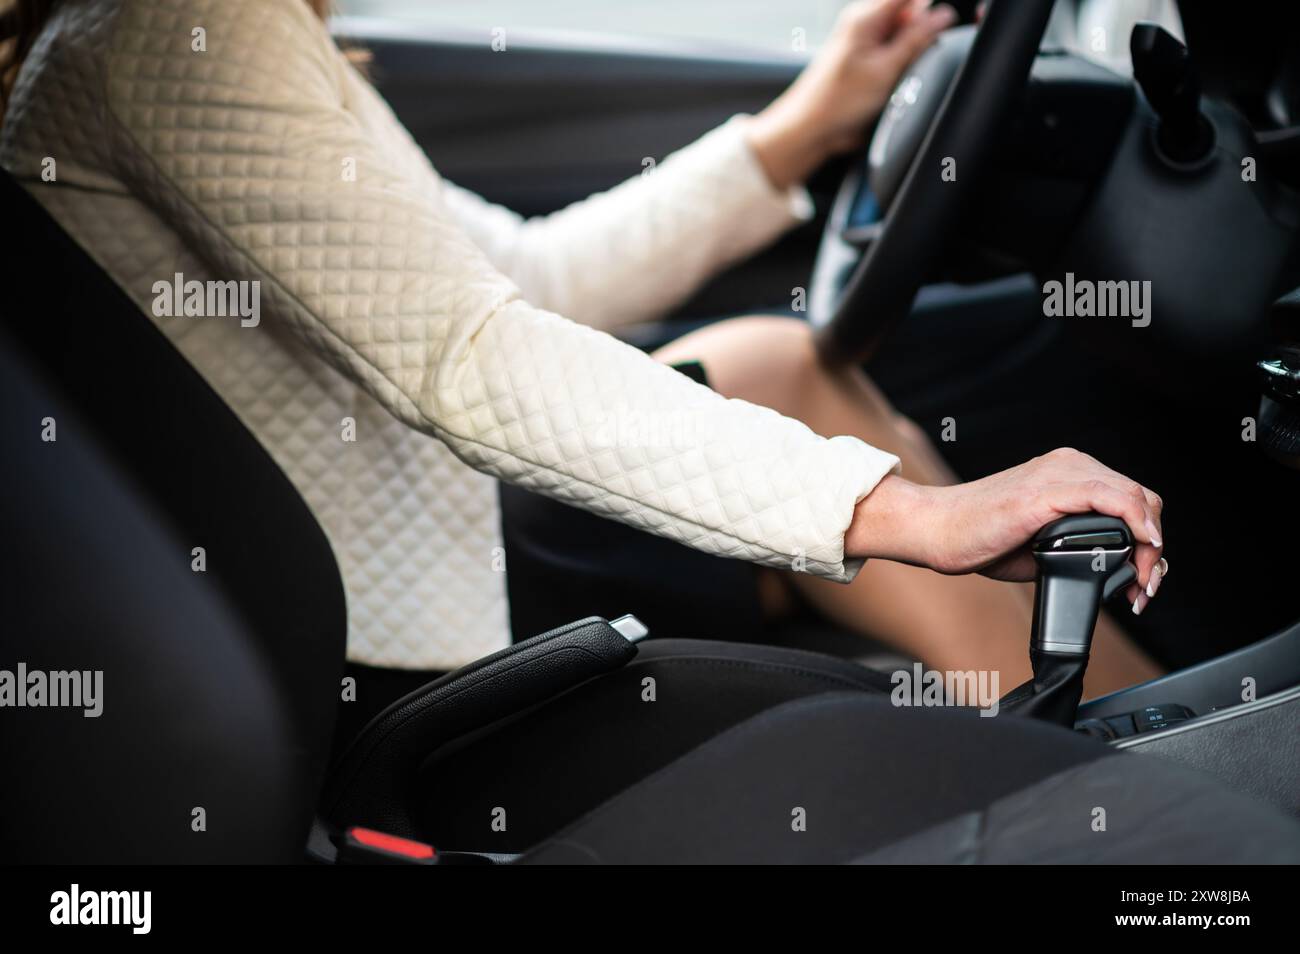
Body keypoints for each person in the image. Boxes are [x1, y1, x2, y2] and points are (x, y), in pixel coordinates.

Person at [0, 0, 1165, 698]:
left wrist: (804, 125)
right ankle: (1153, 776)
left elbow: (523, 281)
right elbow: (466, 356)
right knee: (783, 375)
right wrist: (919, 517)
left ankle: (1123, 729)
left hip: (390, 541)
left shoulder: (188, 32)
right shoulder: (176, 34)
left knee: (771, 362)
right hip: (387, 624)